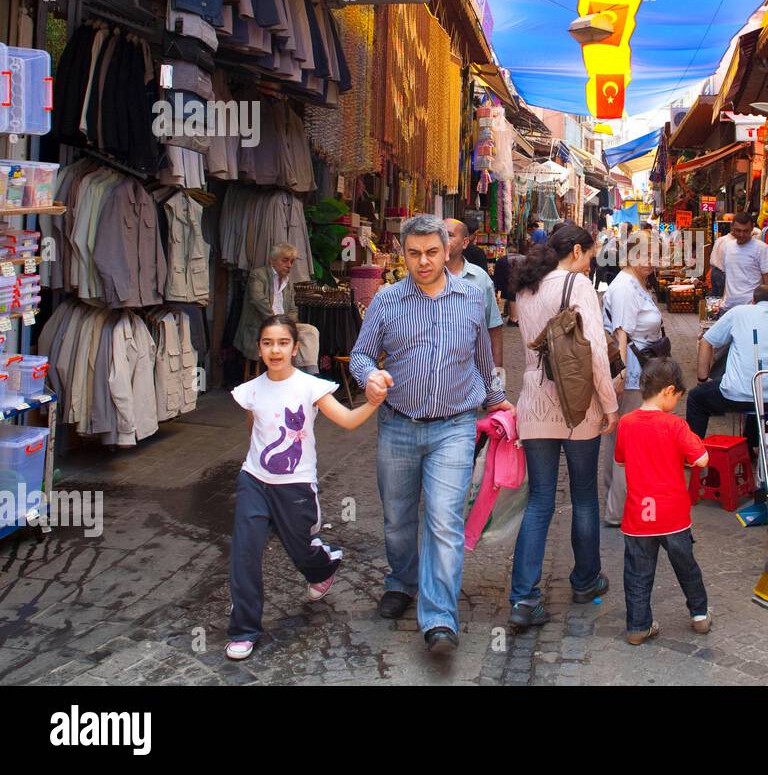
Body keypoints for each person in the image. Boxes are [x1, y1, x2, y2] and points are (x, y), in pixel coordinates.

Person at [350, 215, 511, 657]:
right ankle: (401, 582)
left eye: (432, 252)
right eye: (414, 253)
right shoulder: (386, 301)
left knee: (444, 521)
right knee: (399, 520)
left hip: (454, 428)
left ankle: (439, 617)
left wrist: (497, 398)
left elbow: (482, 359)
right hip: (398, 425)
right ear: (404, 254)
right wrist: (369, 377)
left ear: (447, 251)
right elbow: (361, 355)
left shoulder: (470, 298)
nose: (423, 262)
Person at [226, 315, 384, 661]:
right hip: (254, 481)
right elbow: (254, 427)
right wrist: (255, 466)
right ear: (260, 349)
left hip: (295, 486)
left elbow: (345, 420)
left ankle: (323, 567)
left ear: (295, 348)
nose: (275, 350)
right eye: (268, 343)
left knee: (300, 547)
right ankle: (243, 629)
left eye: (283, 343)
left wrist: (373, 403)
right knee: (244, 554)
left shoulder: (310, 386)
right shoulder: (250, 389)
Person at [507, 222, 619, 631]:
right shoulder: (577, 285)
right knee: (585, 496)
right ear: (575, 250)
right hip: (578, 405)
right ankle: (585, 580)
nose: (590, 264)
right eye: (589, 255)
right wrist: (609, 405)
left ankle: (523, 598)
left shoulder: (527, 287)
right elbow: (595, 357)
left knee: (539, 500)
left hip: (535, 401)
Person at [615, 358, 712, 645]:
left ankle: (637, 626)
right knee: (686, 566)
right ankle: (699, 615)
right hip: (673, 515)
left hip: (637, 517)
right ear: (669, 391)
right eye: (678, 397)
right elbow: (701, 459)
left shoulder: (626, 423)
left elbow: (620, 460)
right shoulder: (676, 425)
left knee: (637, 572)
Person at [599, 231, 665, 526]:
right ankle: (618, 510)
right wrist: (621, 374)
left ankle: (616, 503)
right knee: (631, 442)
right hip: (634, 375)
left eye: (655, 253)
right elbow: (620, 333)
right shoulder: (626, 285)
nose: (652, 260)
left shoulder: (638, 282)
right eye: (646, 253)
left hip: (641, 372)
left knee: (620, 440)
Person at [687, 284, 768, 441]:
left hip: (736, 395)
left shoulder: (738, 312)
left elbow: (706, 341)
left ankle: (693, 453)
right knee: (757, 396)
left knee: (696, 398)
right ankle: (750, 445)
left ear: (753, 301)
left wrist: (702, 380)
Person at [233, 243, 321, 373]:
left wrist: (289, 324)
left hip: (283, 325)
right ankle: (291, 376)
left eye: (291, 261)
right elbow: (258, 301)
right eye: (285, 260)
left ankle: (310, 374)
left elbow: (292, 308)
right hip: (262, 326)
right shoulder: (258, 275)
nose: (289, 265)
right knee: (286, 336)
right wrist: (276, 322)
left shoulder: (288, 281)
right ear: (272, 260)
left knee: (310, 331)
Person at [446, 218, 504, 368]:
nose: (442, 239)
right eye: (439, 234)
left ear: (465, 242)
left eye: (449, 235)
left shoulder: (480, 278)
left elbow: (494, 328)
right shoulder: (426, 275)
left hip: (472, 372)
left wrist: (497, 379)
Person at [710, 213, 768, 312]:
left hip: (751, 309)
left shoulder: (762, 249)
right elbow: (728, 278)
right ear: (732, 227)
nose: (741, 235)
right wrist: (723, 300)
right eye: (738, 230)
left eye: (746, 231)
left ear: (752, 228)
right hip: (727, 308)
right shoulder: (727, 247)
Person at [493, 244, 523, 326]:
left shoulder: (502, 260)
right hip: (519, 280)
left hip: (507, 280)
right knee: (514, 294)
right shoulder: (523, 258)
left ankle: (511, 317)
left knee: (504, 294)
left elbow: (497, 277)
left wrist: (497, 288)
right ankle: (514, 317)